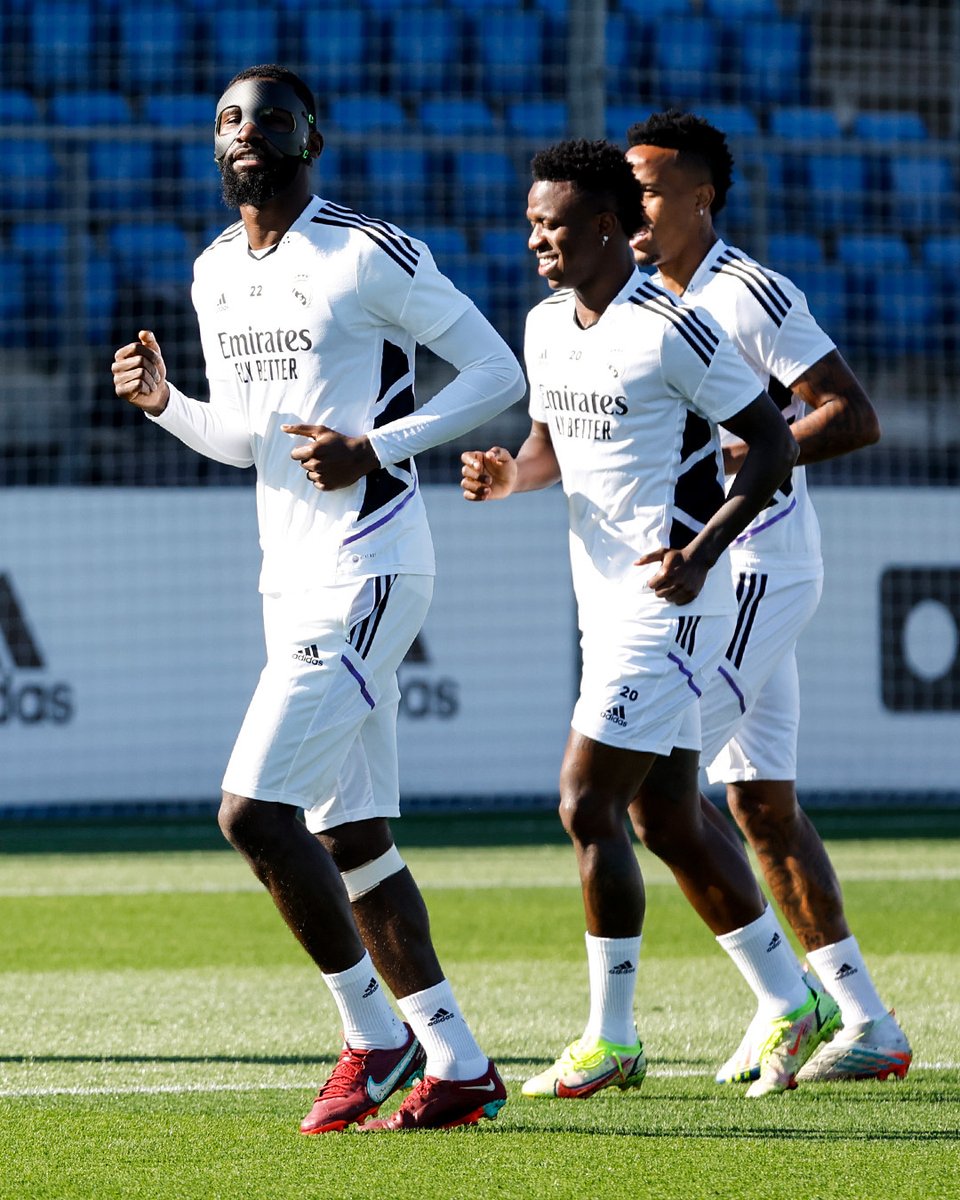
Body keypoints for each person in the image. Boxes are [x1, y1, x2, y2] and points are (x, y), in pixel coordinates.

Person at [111, 64, 524, 1133]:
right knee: (352, 836)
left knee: (252, 813)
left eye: (270, 117)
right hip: (287, 576)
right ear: (216, 145)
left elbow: (497, 374)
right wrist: (167, 405)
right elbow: (247, 439)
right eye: (228, 119)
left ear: (311, 139)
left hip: (371, 563)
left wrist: (375, 446)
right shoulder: (214, 272)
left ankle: (374, 1038)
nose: (246, 131)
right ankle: (458, 1061)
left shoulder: (365, 251)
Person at [461, 138, 835, 1100]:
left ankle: (612, 1037)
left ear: (603, 227)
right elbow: (548, 448)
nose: (535, 239)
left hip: (671, 602)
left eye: (551, 224)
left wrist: (701, 553)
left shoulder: (674, 329)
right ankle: (792, 997)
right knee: (663, 813)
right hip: (602, 599)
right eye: (530, 222)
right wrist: (509, 477)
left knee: (584, 802)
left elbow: (770, 446)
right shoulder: (545, 325)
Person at [622, 109, 910, 1085]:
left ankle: (788, 998)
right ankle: (865, 1021)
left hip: (754, 568)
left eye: (651, 190)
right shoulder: (640, 302)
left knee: (648, 780)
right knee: (760, 805)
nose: (636, 207)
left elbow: (851, 413)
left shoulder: (745, 293)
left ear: (702, 197)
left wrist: (753, 448)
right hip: (720, 575)